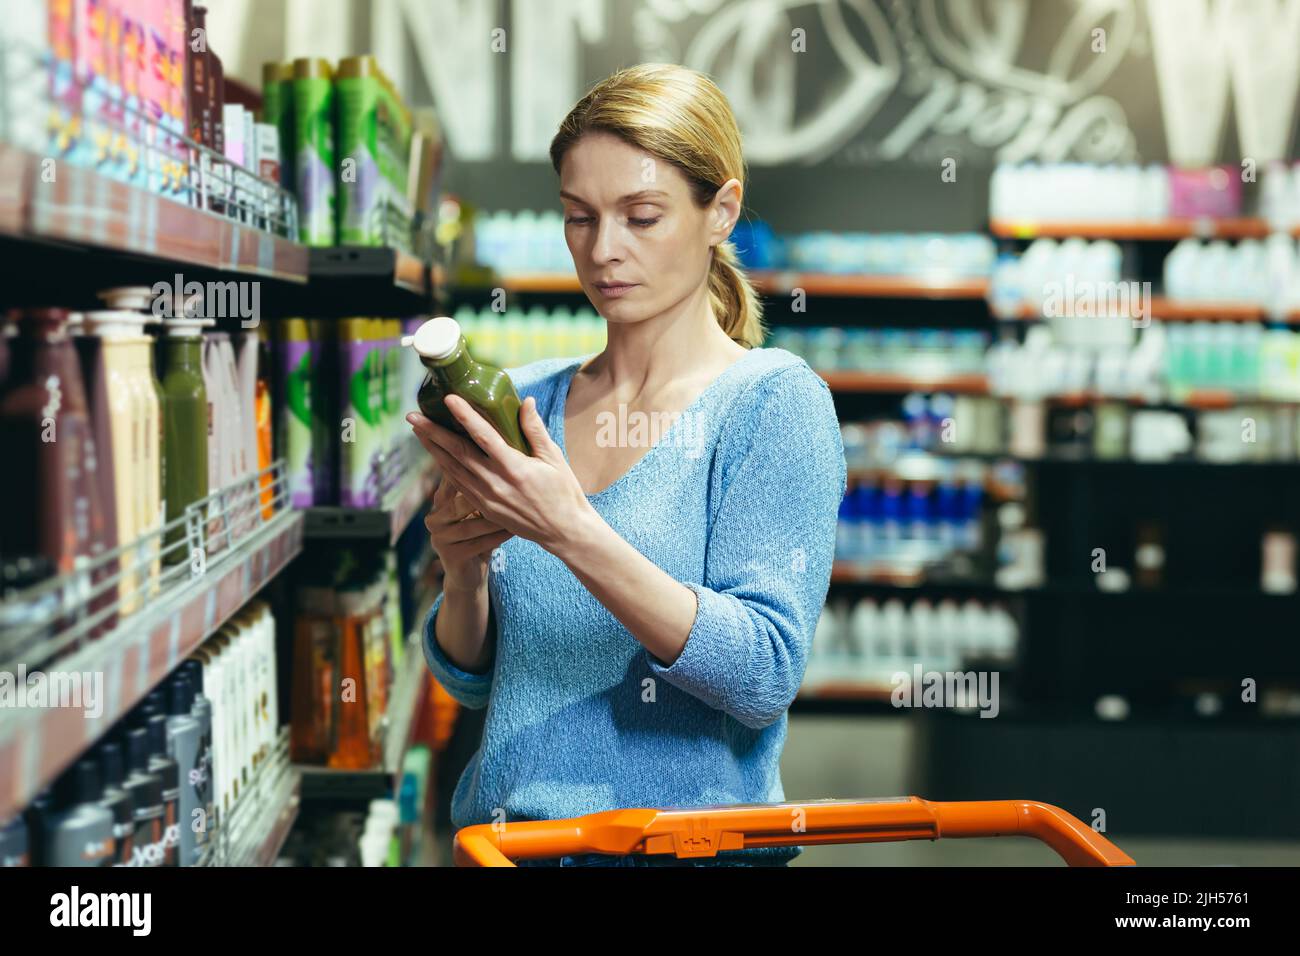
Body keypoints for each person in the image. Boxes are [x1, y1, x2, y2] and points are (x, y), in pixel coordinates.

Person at [406, 63, 846, 867]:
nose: (604, 251)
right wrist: (461, 573)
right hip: (507, 848)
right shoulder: (530, 402)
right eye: (579, 218)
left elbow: (761, 677)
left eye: (641, 216)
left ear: (722, 211)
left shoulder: (771, 405)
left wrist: (573, 532)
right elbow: (481, 685)